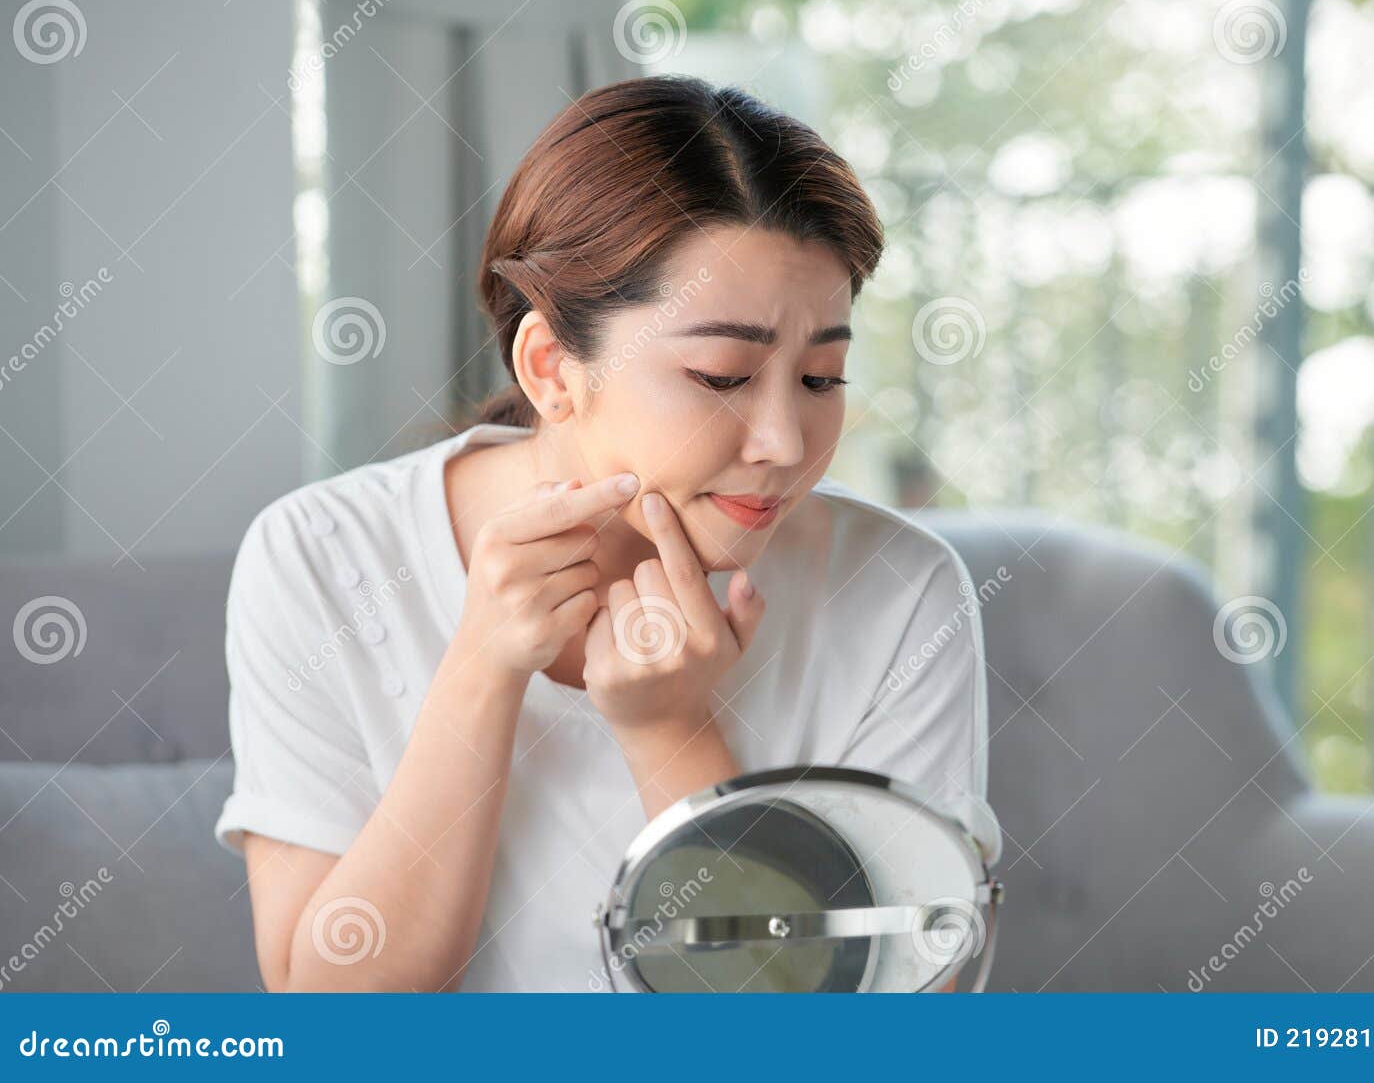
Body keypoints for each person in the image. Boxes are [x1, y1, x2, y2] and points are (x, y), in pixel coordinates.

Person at [214, 75, 996, 991]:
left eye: (822, 377)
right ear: (551, 366)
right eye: (721, 375)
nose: (784, 442)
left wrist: (671, 732)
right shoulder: (321, 555)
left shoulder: (902, 592)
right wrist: (483, 665)